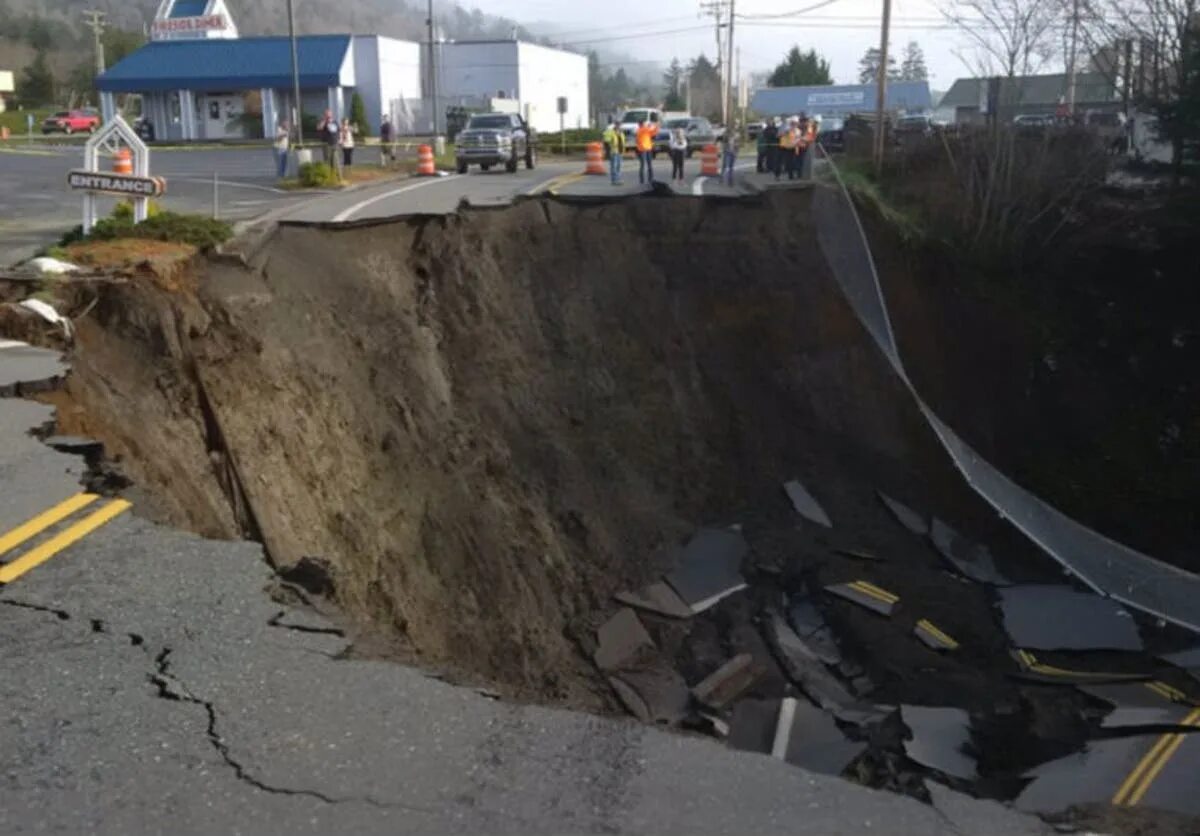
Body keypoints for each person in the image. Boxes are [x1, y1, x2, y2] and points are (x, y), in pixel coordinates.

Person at [601, 120, 625, 185]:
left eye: (620, 124)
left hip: (620, 152)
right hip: (614, 152)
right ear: (615, 125)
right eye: (617, 124)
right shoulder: (611, 132)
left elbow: (622, 142)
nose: (619, 126)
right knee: (614, 167)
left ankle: (618, 180)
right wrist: (607, 151)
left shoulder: (621, 133)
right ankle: (614, 180)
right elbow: (606, 140)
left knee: (619, 167)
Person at [635, 119, 657, 185]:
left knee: (646, 165)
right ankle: (646, 180)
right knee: (645, 165)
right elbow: (652, 131)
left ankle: (647, 179)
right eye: (643, 123)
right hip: (643, 149)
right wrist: (655, 124)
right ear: (641, 124)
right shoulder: (641, 130)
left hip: (647, 148)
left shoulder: (643, 130)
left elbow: (653, 133)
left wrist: (655, 126)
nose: (644, 124)